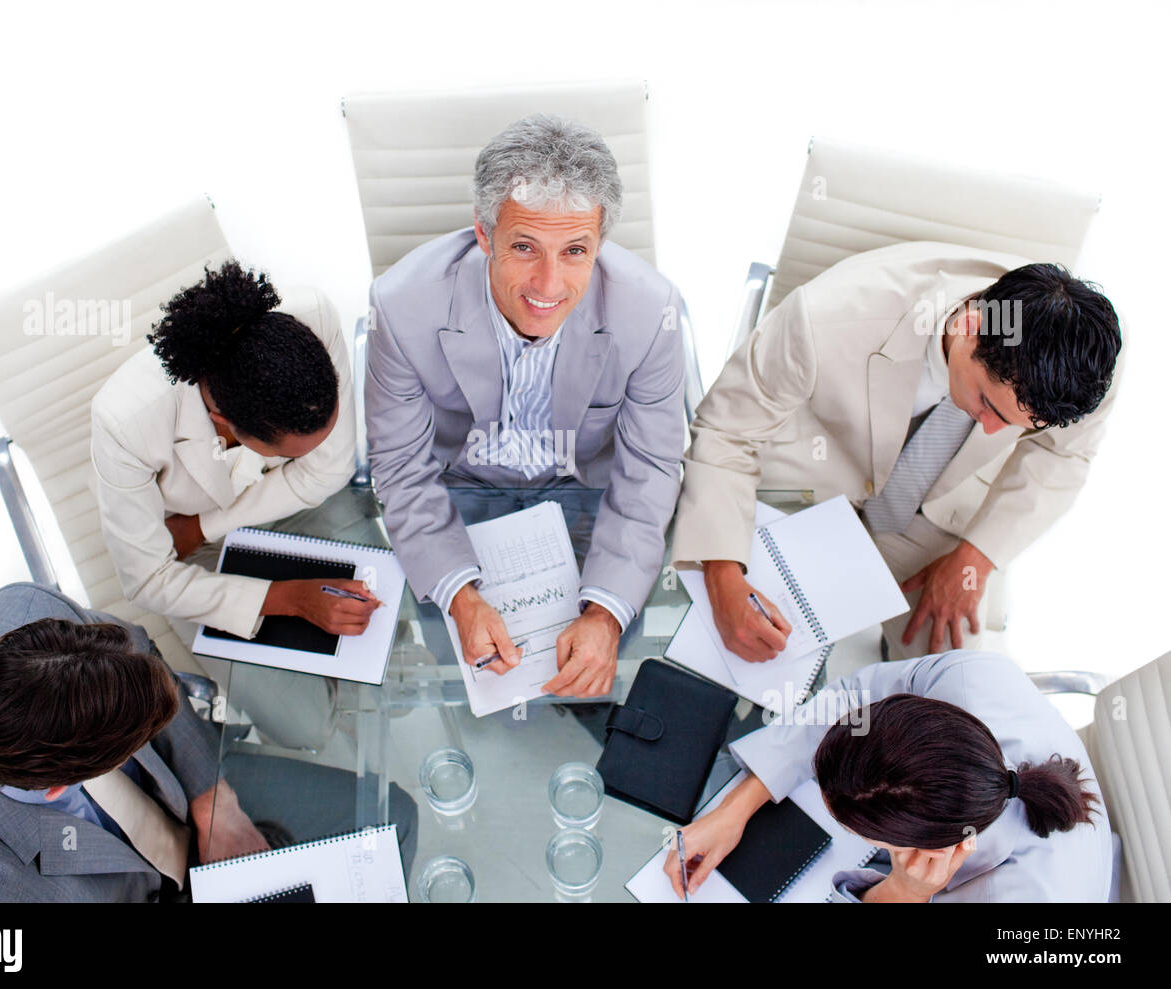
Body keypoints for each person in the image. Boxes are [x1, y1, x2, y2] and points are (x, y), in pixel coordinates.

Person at [365, 114, 687, 698]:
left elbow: (651, 472)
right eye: (523, 247)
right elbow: (400, 469)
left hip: (583, 491)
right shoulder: (401, 304)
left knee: (612, 645)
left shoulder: (651, 311)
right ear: (484, 235)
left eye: (575, 251)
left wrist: (605, 613)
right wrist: (461, 596)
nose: (549, 282)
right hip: (461, 489)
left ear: (601, 244)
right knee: (456, 655)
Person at [673, 246, 1122, 661]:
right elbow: (727, 430)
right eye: (988, 403)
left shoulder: (1085, 369)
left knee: (951, 676)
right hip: (813, 478)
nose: (990, 429)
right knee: (717, 635)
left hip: (933, 510)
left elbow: (1063, 457)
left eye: (1015, 425)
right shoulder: (829, 314)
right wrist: (721, 575)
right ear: (970, 326)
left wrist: (974, 557)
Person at [0, 583, 417, 902]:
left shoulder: (26, 610)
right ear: (64, 786)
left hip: (184, 786)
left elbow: (137, 644)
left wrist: (214, 803)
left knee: (396, 819)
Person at [665, 650, 1112, 902]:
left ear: (923, 848)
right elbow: (852, 700)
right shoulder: (971, 678)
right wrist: (736, 808)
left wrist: (905, 892)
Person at [91, 259, 376, 644]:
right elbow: (148, 580)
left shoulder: (312, 320)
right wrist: (289, 599)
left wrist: (202, 527)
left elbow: (330, 470)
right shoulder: (125, 423)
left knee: (376, 615)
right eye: (289, 449)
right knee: (292, 696)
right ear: (223, 421)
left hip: (279, 506)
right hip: (186, 549)